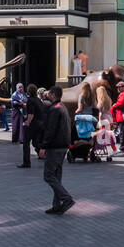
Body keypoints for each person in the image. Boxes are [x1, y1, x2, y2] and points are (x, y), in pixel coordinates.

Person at [39, 85, 74, 214]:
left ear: (53, 95)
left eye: (49, 93)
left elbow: (50, 130)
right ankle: (56, 204)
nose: (47, 95)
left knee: (48, 175)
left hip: (55, 147)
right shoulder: (62, 107)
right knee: (57, 176)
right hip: (63, 146)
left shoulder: (54, 109)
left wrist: (43, 146)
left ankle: (66, 198)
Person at [19, 84, 43, 168]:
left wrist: (27, 122)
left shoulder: (30, 100)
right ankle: (45, 153)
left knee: (26, 142)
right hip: (41, 123)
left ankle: (26, 162)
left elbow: (31, 113)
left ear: (28, 91)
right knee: (36, 142)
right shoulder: (38, 100)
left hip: (33, 123)